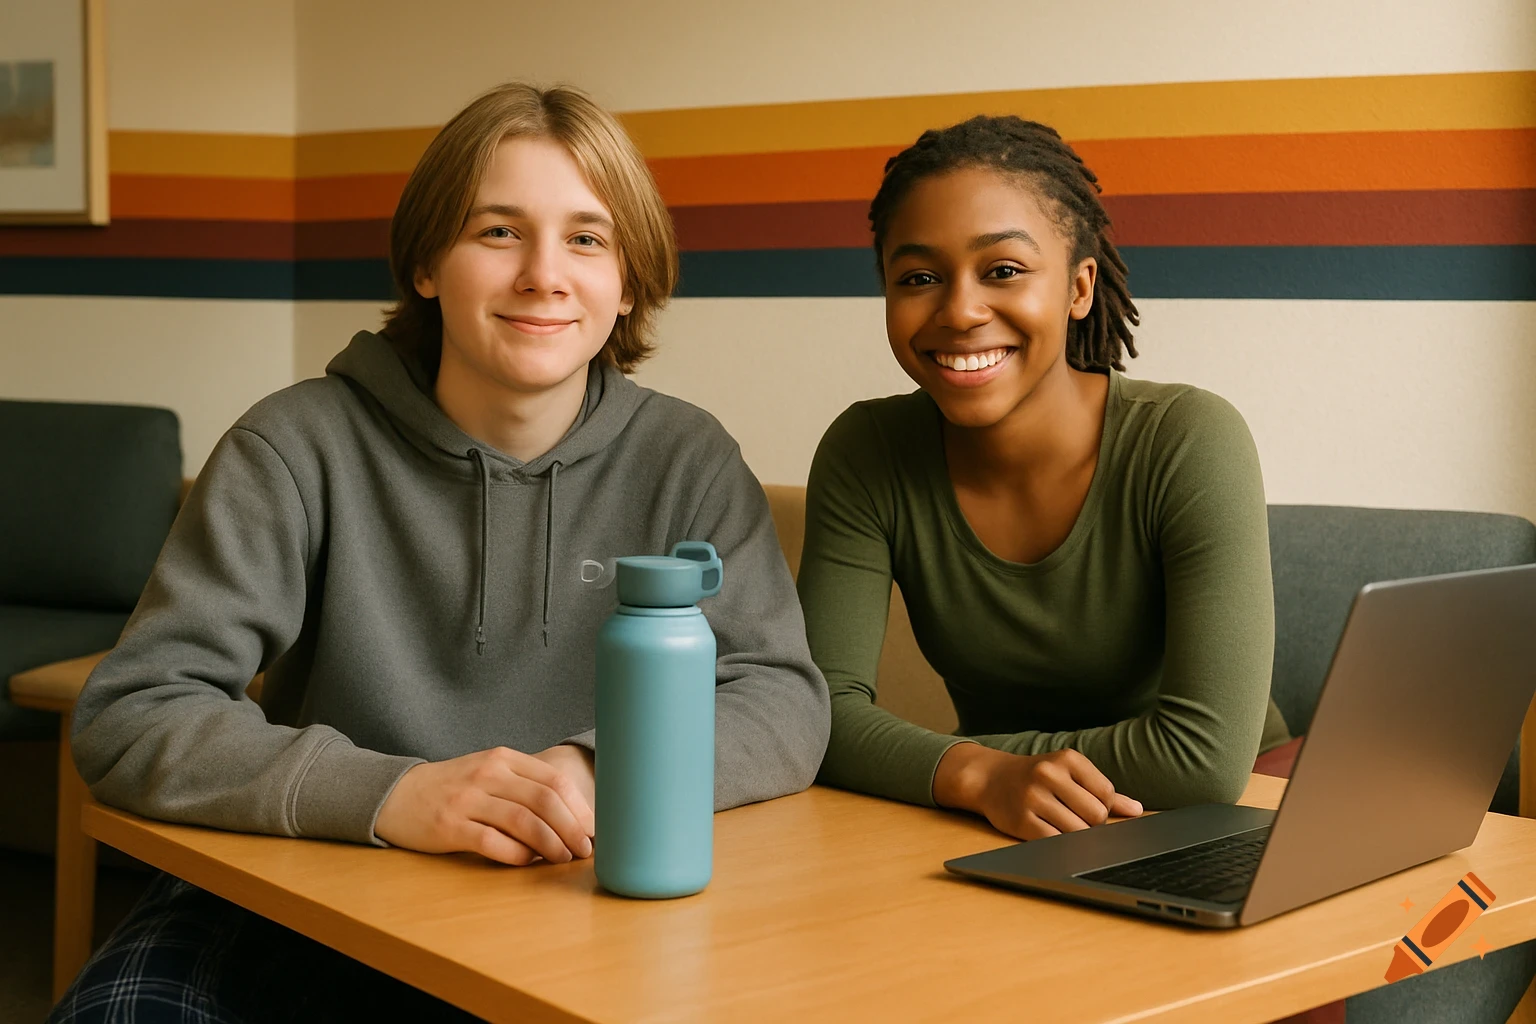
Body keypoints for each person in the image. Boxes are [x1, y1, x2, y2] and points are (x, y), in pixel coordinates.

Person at [53, 82, 829, 1022]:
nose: (545, 274)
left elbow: (785, 698)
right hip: (309, 887)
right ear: (426, 264)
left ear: (628, 281)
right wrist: (393, 793)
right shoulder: (292, 446)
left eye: (587, 238)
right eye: (497, 231)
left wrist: (599, 769)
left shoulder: (690, 459)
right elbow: (132, 713)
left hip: (584, 899)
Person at [799, 115, 1292, 844]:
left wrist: (954, 764)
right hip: (1009, 820)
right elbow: (816, 715)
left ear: (1080, 287)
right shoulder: (867, 452)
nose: (961, 310)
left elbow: (1204, 760)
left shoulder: (1189, 439)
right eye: (919, 277)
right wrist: (977, 777)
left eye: (1003, 270)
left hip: (1238, 806)